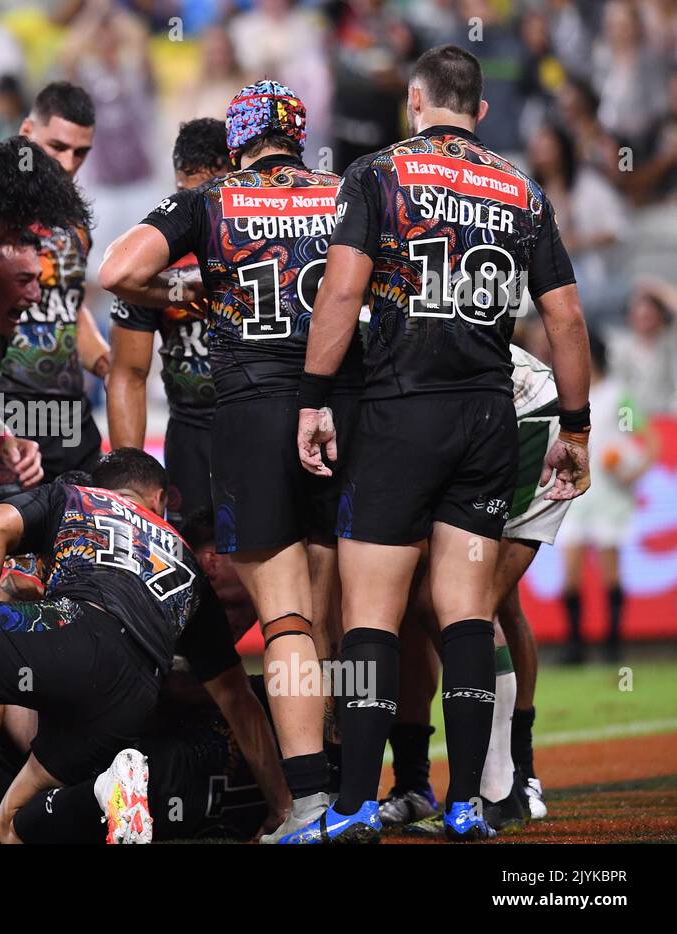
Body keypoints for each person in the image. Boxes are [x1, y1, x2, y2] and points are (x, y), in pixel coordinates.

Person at [293, 44, 591, 842]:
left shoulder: (377, 174)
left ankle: (354, 803)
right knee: (465, 612)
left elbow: (344, 287)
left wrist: (315, 399)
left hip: (401, 412)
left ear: (415, 101)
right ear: (482, 111)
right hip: (489, 417)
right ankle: (467, 803)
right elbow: (564, 317)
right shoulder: (522, 188)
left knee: (371, 616)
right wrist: (577, 427)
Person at [100, 81, 357, 843]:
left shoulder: (214, 200)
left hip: (243, 417)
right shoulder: (345, 192)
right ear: (300, 135)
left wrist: (198, 280)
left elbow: (117, 271)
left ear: (237, 146)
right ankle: (362, 790)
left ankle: (304, 804)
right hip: (338, 416)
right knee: (342, 624)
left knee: (284, 624)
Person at [0, 448, 251, 844]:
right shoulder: (184, 561)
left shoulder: (75, 497)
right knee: (12, 827)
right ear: (160, 500)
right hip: (129, 701)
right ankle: (103, 790)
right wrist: (289, 804)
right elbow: (238, 695)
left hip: (67, 649)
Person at [382, 344, 573, 835]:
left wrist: (578, 425)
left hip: (513, 413)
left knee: (474, 604)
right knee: (418, 606)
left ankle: (505, 782)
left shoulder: (350, 307)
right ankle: (419, 782)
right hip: (457, 414)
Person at [106, 117, 228, 529]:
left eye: (208, 194)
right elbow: (128, 373)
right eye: (185, 193)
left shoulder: (265, 242)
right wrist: (128, 484)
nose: (194, 208)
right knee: (196, 552)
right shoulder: (152, 257)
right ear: (176, 184)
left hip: (261, 420)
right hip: (190, 433)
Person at [5, 81, 109, 480]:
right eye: (58, 147)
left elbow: (69, 303)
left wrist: (107, 364)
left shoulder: (75, 218)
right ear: (27, 132)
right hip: (4, 416)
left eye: (81, 152)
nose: (68, 164)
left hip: (70, 418)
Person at [558, 335, 657, 664]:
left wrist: (633, 472)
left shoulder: (617, 396)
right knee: (570, 574)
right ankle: (575, 646)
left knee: (610, 572)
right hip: (574, 496)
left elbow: (650, 441)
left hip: (609, 497)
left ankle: (613, 644)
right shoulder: (567, 396)